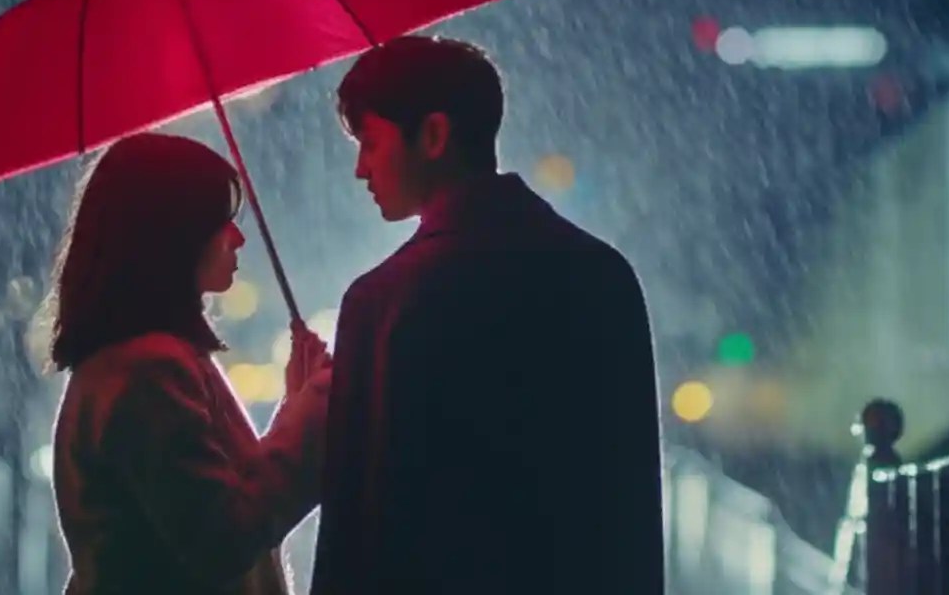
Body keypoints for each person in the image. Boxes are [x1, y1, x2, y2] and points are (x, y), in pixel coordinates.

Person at [310, 36, 664, 594]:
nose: (360, 169)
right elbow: (629, 502)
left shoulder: (383, 302)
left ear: (433, 135)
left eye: (371, 143)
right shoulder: (601, 273)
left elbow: (356, 533)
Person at [47, 133, 332, 595]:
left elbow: (214, 497)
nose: (238, 237)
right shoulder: (146, 373)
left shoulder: (139, 364)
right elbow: (221, 539)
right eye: (220, 220)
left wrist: (293, 412)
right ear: (173, 234)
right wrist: (313, 418)